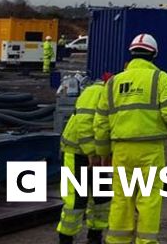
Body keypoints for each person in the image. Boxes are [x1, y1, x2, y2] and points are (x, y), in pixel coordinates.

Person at [94, 34, 167, 244]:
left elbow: (100, 123)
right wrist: (164, 126)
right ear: (154, 54)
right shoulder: (161, 79)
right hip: (150, 150)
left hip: (121, 151)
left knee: (121, 199)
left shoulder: (113, 82)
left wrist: (102, 153)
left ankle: (117, 241)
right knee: (148, 199)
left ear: (132, 54)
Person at [57, 77, 111, 244]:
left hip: (97, 153)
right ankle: (65, 238)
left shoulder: (115, 95)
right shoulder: (95, 92)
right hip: (77, 152)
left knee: (101, 197)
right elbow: (85, 123)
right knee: (76, 200)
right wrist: (91, 153)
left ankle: (95, 235)